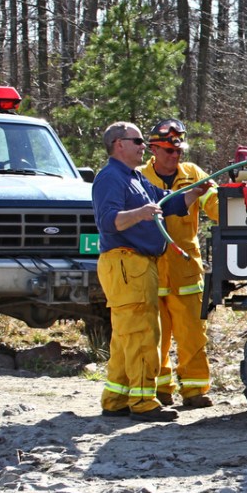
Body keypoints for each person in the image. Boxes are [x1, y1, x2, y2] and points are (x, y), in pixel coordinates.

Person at [92, 121, 207, 422]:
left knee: (126, 335)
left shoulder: (134, 178)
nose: (144, 146)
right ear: (119, 144)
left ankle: (116, 399)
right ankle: (143, 402)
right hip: (126, 263)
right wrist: (140, 214)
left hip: (138, 264)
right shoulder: (110, 177)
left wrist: (195, 193)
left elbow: (167, 203)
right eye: (138, 141)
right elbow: (108, 221)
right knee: (143, 333)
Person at [139, 118, 220, 410]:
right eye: (169, 151)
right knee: (154, 336)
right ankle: (160, 389)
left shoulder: (193, 175)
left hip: (186, 269)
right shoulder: (139, 177)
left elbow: (217, 207)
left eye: (179, 151)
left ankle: (195, 390)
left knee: (193, 334)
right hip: (151, 267)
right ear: (154, 149)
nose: (175, 156)